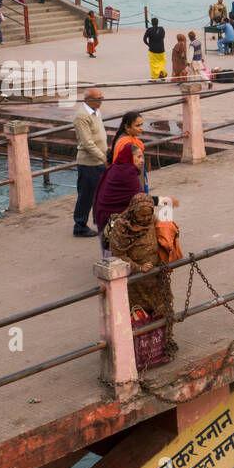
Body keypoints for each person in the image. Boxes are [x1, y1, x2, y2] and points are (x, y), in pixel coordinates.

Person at [109, 193, 178, 362]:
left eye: (149, 214)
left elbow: (161, 235)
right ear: (133, 212)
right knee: (139, 315)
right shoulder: (121, 228)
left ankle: (163, 346)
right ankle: (142, 352)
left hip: (156, 279)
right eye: (143, 215)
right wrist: (137, 267)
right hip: (136, 284)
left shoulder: (152, 220)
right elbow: (118, 255)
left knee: (163, 310)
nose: (147, 218)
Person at [73, 88, 109, 238]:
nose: (101, 101)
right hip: (89, 162)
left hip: (99, 159)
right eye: (97, 98)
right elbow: (87, 143)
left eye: (101, 98)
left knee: (101, 193)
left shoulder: (95, 112)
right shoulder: (82, 116)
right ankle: (80, 225)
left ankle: (100, 220)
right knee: (86, 195)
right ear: (88, 100)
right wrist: (103, 157)